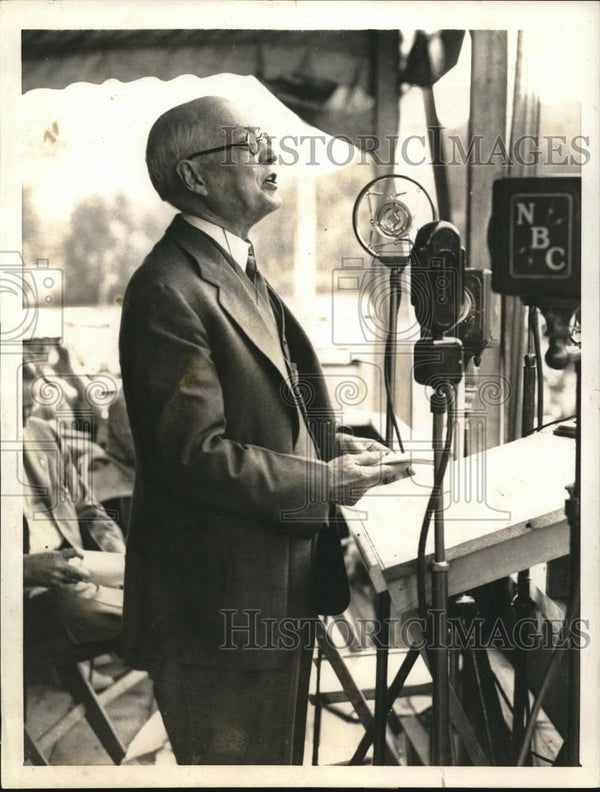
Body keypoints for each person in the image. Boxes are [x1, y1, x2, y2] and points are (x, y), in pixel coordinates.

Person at [119, 96, 408, 765]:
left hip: (267, 593)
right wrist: (325, 482)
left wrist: (331, 448)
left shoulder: (229, 267)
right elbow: (194, 454)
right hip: (218, 615)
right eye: (251, 145)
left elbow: (263, 412)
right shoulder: (169, 287)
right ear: (194, 176)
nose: (274, 154)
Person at [22, 416, 125, 681]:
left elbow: (88, 510)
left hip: (76, 570)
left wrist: (119, 557)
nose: (32, 401)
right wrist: (24, 568)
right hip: (22, 594)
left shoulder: (41, 431)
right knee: (73, 604)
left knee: (153, 570)